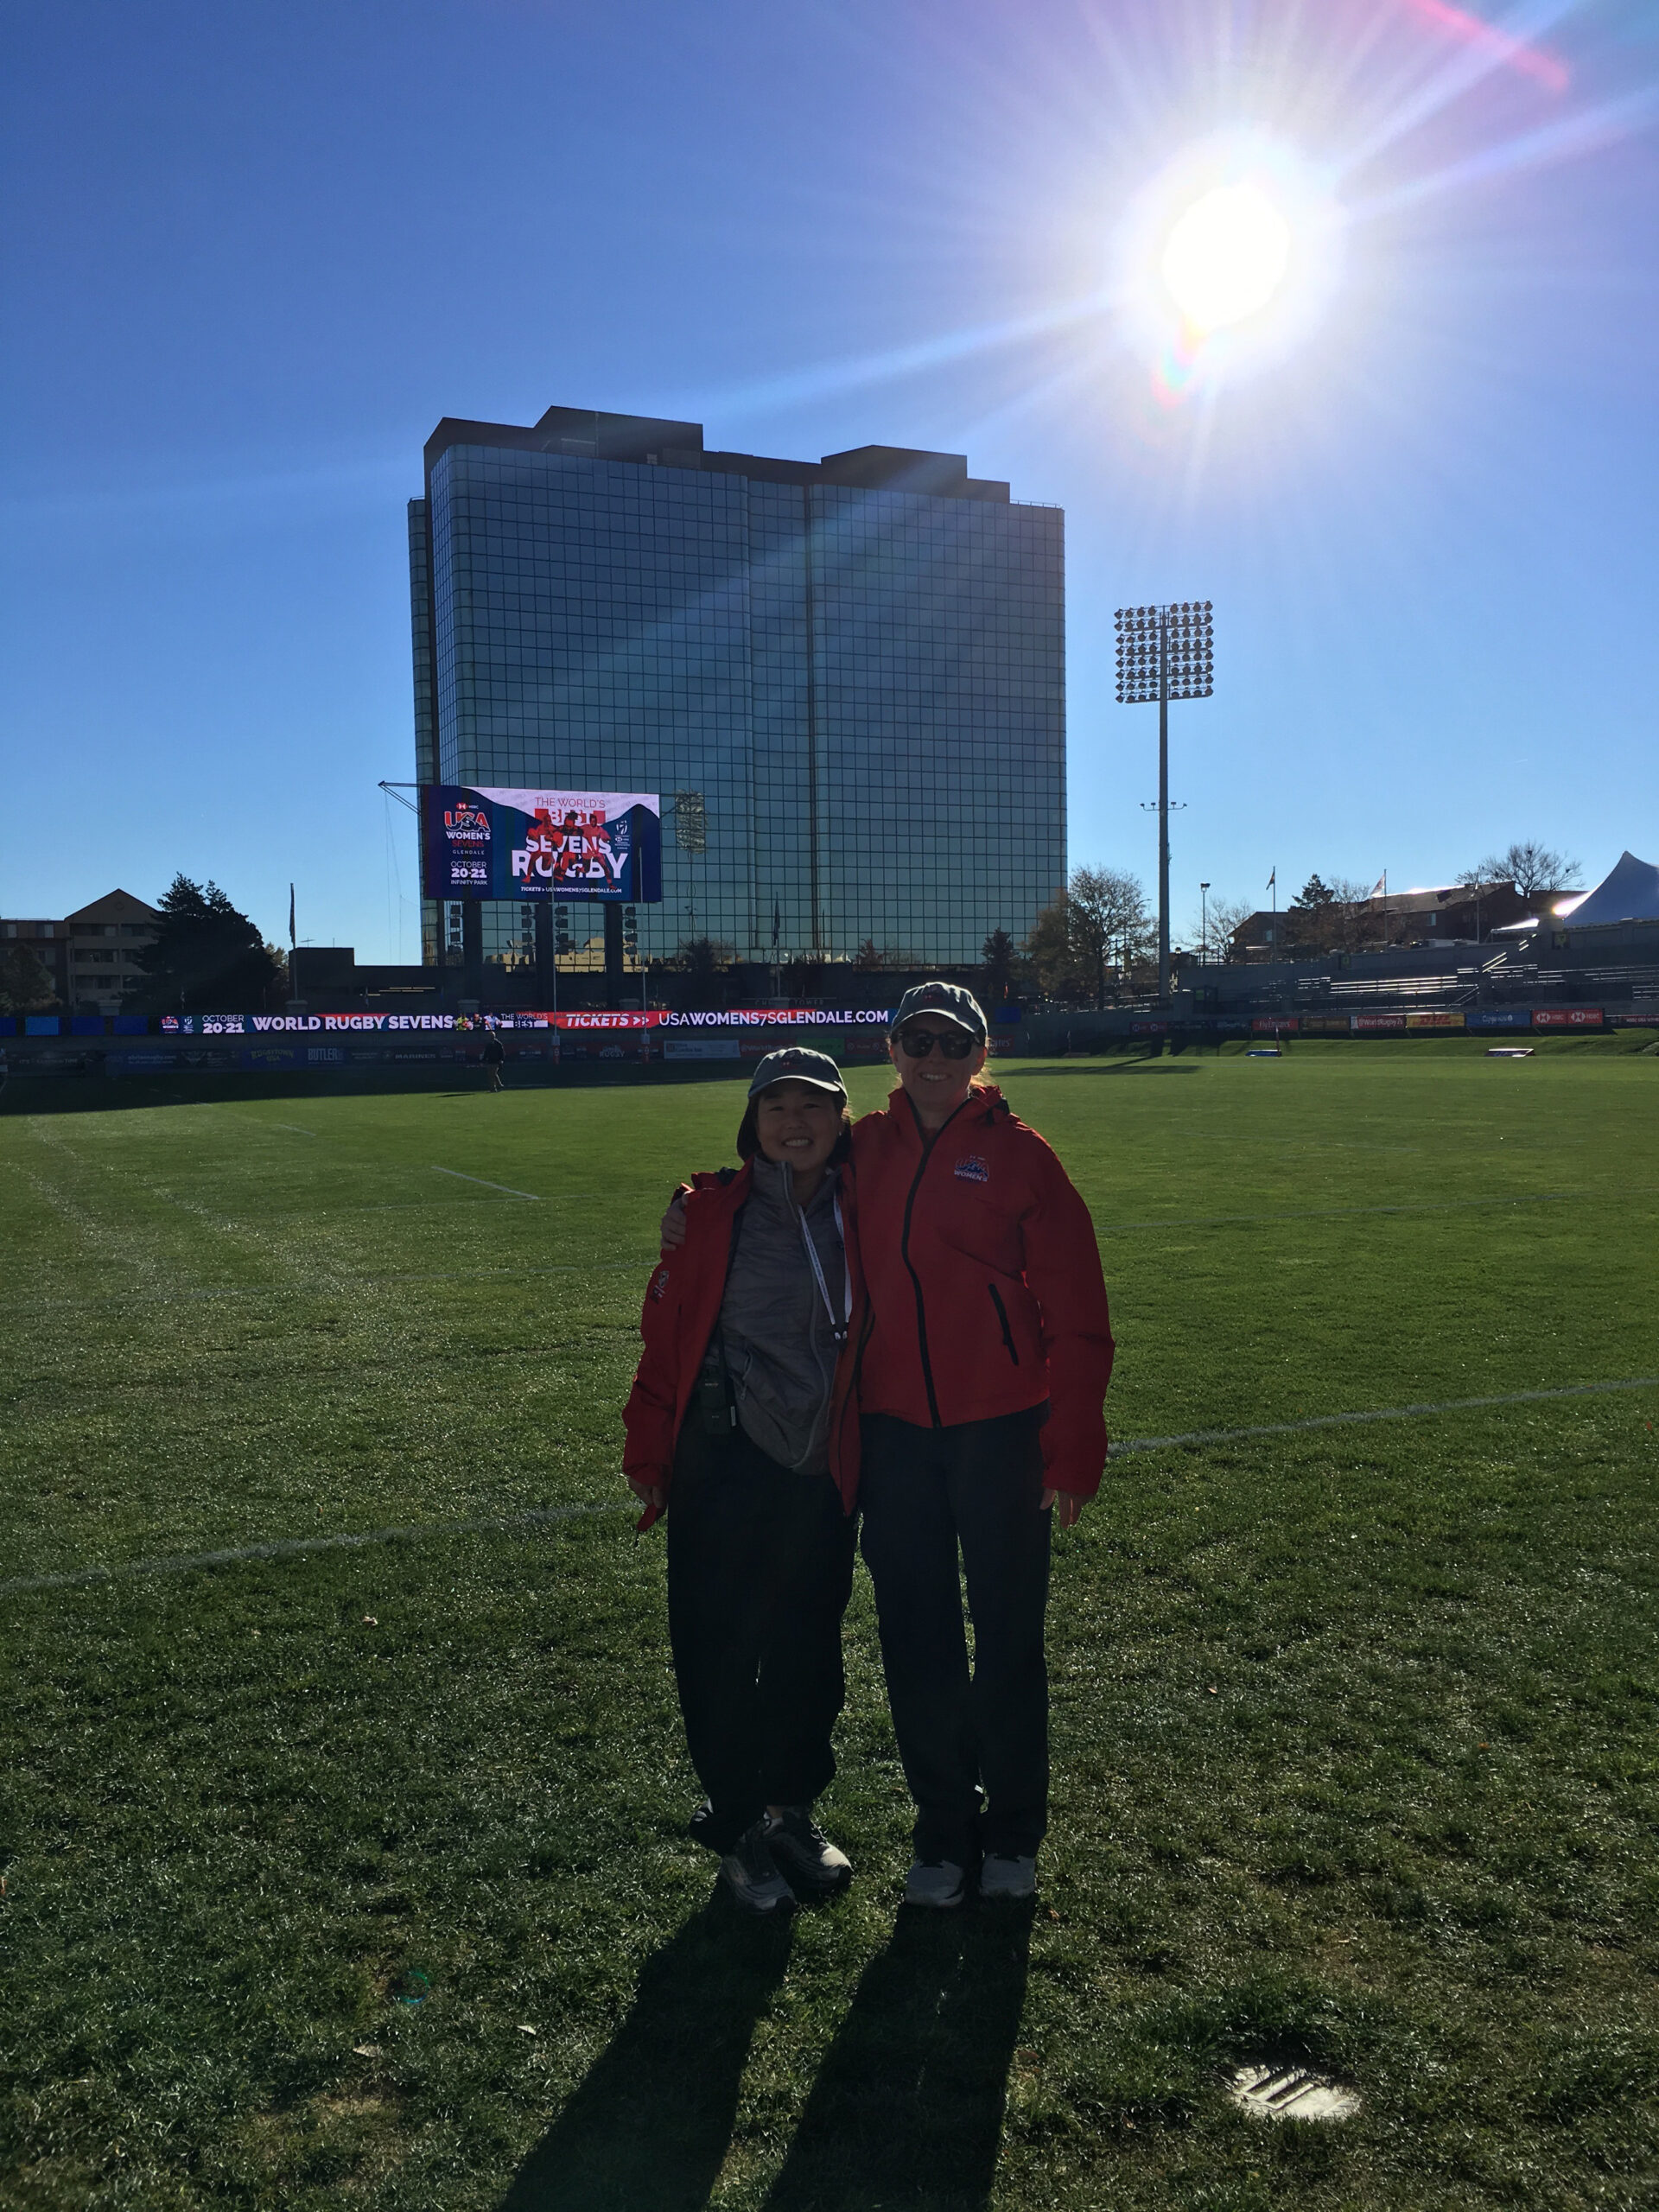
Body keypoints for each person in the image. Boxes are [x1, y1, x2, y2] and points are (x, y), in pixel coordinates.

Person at [663, 983, 1114, 1910]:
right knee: (917, 1642)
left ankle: (1013, 1833)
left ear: (981, 1053)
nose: (935, 1057)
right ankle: (942, 1834)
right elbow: (764, 1178)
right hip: (893, 1437)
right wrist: (688, 1199)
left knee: (1009, 1640)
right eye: (918, 1040)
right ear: (892, 1049)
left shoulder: (1023, 1155)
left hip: (1002, 1434)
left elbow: (1079, 1309)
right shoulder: (863, 1145)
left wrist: (1072, 1442)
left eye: (954, 1042)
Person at [623, 1046, 864, 1916]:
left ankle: (789, 1810)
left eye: (814, 1105)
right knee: (722, 1650)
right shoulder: (711, 1213)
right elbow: (666, 1341)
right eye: (777, 1107)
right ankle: (737, 1828)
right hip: (726, 1459)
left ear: (842, 1119)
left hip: (823, 1467)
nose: (795, 1122)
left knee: (808, 1650)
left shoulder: (866, 1204)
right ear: (752, 1123)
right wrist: (649, 1454)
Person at [480, 1026, 506, 1091]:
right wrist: (483, 1061)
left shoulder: (498, 1044)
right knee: (492, 1074)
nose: (491, 1037)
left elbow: (502, 1052)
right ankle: (499, 1085)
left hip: (496, 1061)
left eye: (492, 1036)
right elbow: (486, 1053)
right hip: (490, 1061)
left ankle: (493, 1088)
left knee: (492, 1074)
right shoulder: (488, 1044)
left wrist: (501, 1059)